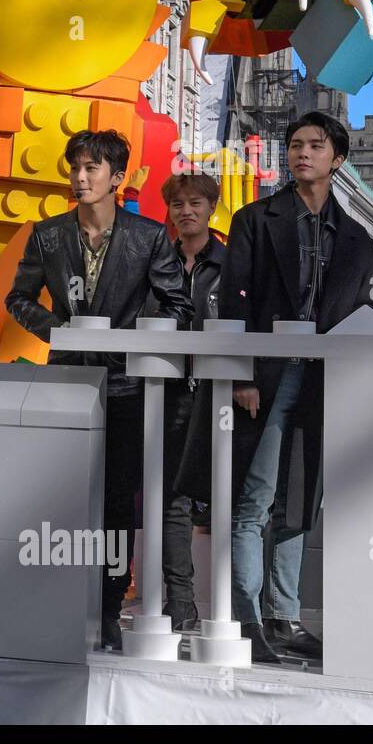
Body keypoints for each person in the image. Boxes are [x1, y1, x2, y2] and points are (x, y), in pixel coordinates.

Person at [5, 130, 193, 650]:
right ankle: (60, 598)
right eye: (74, 168)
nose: (81, 178)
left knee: (114, 501)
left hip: (126, 386)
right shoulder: (47, 234)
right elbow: (18, 298)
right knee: (61, 493)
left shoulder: (148, 236)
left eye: (92, 168)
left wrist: (129, 338)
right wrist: (59, 331)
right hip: (66, 380)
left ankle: (109, 606)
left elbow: (180, 307)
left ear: (118, 178)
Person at [219, 111, 373, 663]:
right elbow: (233, 299)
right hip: (266, 376)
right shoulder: (255, 219)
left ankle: (285, 618)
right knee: (256, 499)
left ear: (338, 159)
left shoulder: (356, 239)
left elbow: (360, 313)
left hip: (322, 379)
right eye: (294, 145)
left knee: (299, 503)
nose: (301, 153)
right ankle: (248, 618)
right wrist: (241, 374)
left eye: (315, 145)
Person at [153, 170, 226, 632]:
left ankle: (238, 606)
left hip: (224, 391)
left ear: (211, 209)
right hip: (169, 390)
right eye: (179, 204)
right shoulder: (158, 262)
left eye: (196, 203)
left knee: (228, 498)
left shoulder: (235, 263)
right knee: (173, 498)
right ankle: (180, 600)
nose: (187, 212)